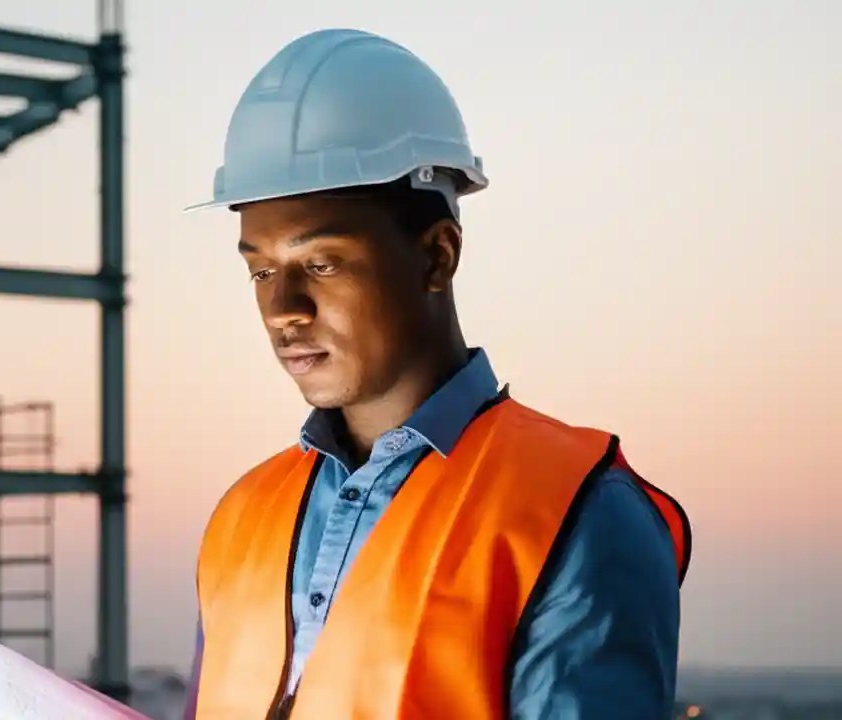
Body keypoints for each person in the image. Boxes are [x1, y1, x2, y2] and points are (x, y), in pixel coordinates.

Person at [181, 29, 692, 719]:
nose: (284, 310)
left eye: (321, 264)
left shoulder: (579, 512)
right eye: (262, 272)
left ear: (437, 256)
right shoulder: (241, 520)